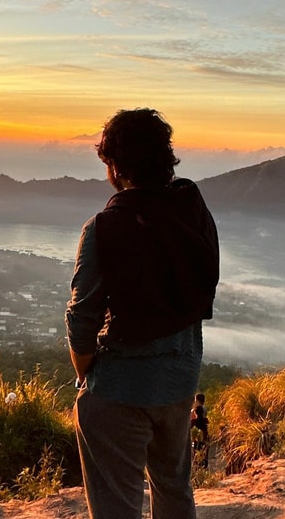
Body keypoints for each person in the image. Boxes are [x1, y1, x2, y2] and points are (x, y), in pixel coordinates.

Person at [66, 108, 219, 519]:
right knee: (173, 488)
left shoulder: (104, 227)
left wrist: (86, 373)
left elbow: (82, 319)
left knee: (117, 503)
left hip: (120, 390)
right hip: (180, 379)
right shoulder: (191, 207)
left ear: (115, 164)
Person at [191, 393, 209, 469]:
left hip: (196, 440)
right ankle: (204, 469)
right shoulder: (206, 418)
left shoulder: (193, 420)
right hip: (204, 439)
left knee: (196, 456)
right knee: (204, 456)